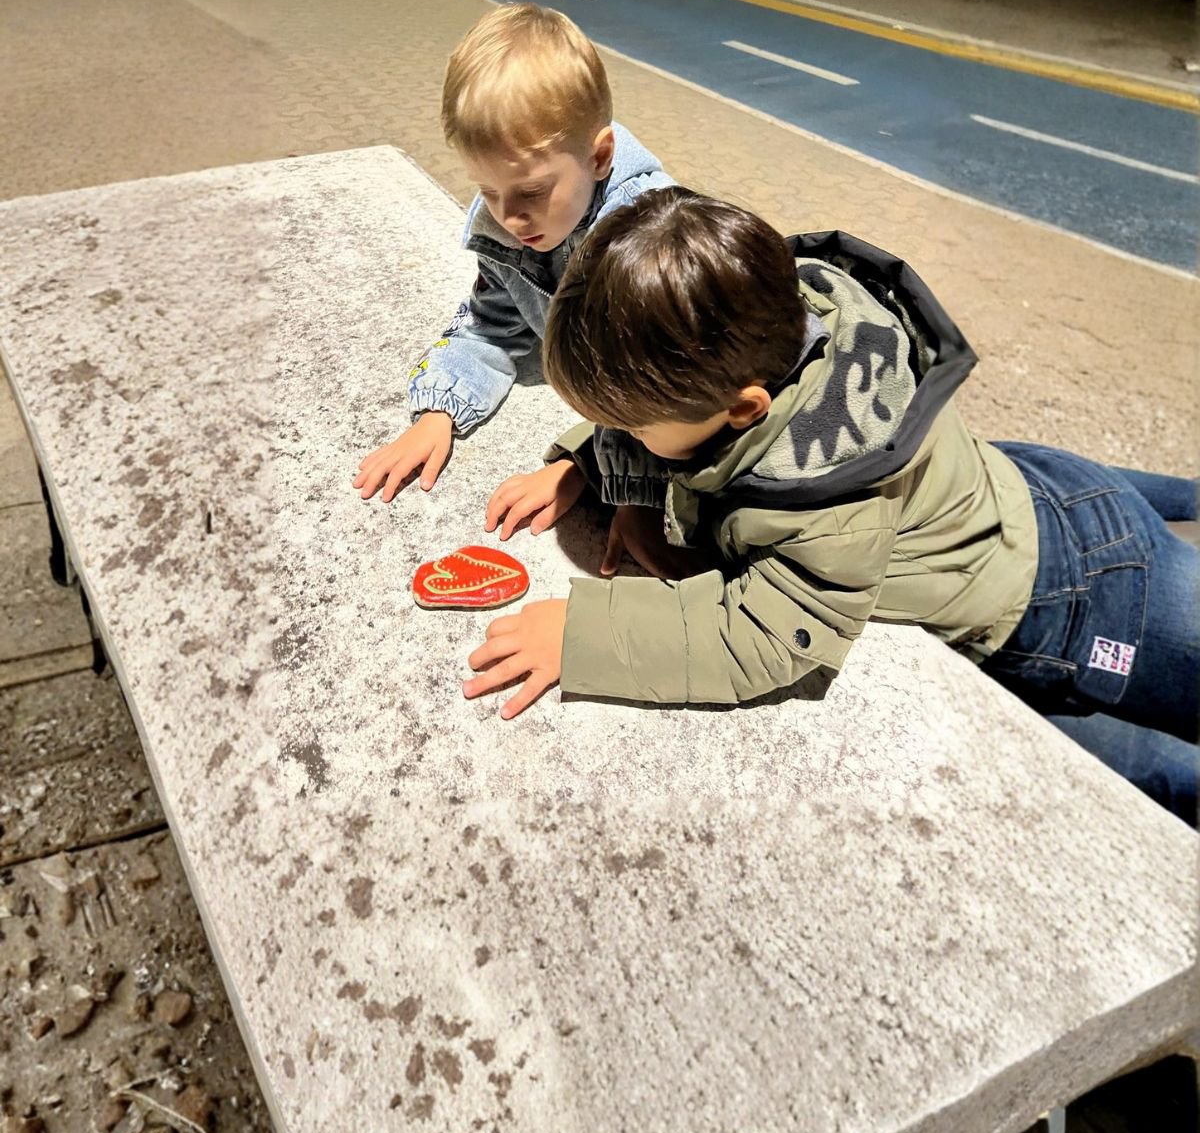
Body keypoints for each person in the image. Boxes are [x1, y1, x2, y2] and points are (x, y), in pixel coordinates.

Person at [465, 187, 1198, 825]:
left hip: (1072, 600)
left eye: (625, 428)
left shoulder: (829, 494)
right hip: (1037, 479)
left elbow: (766, 635)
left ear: (745, 410)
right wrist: (585, 465)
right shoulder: (772, 319)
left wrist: (586, 635)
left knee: (1148, 770)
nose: (616, 436)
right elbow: (674, 417)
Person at [354, 3, 673, 503]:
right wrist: (440, 410)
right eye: (488, 190)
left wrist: (592, 468)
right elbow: (491, 323)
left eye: (531, 191)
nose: (509, 218)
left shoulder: (652, 241)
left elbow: (675, 387)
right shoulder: (512, 225)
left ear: (600, 156)